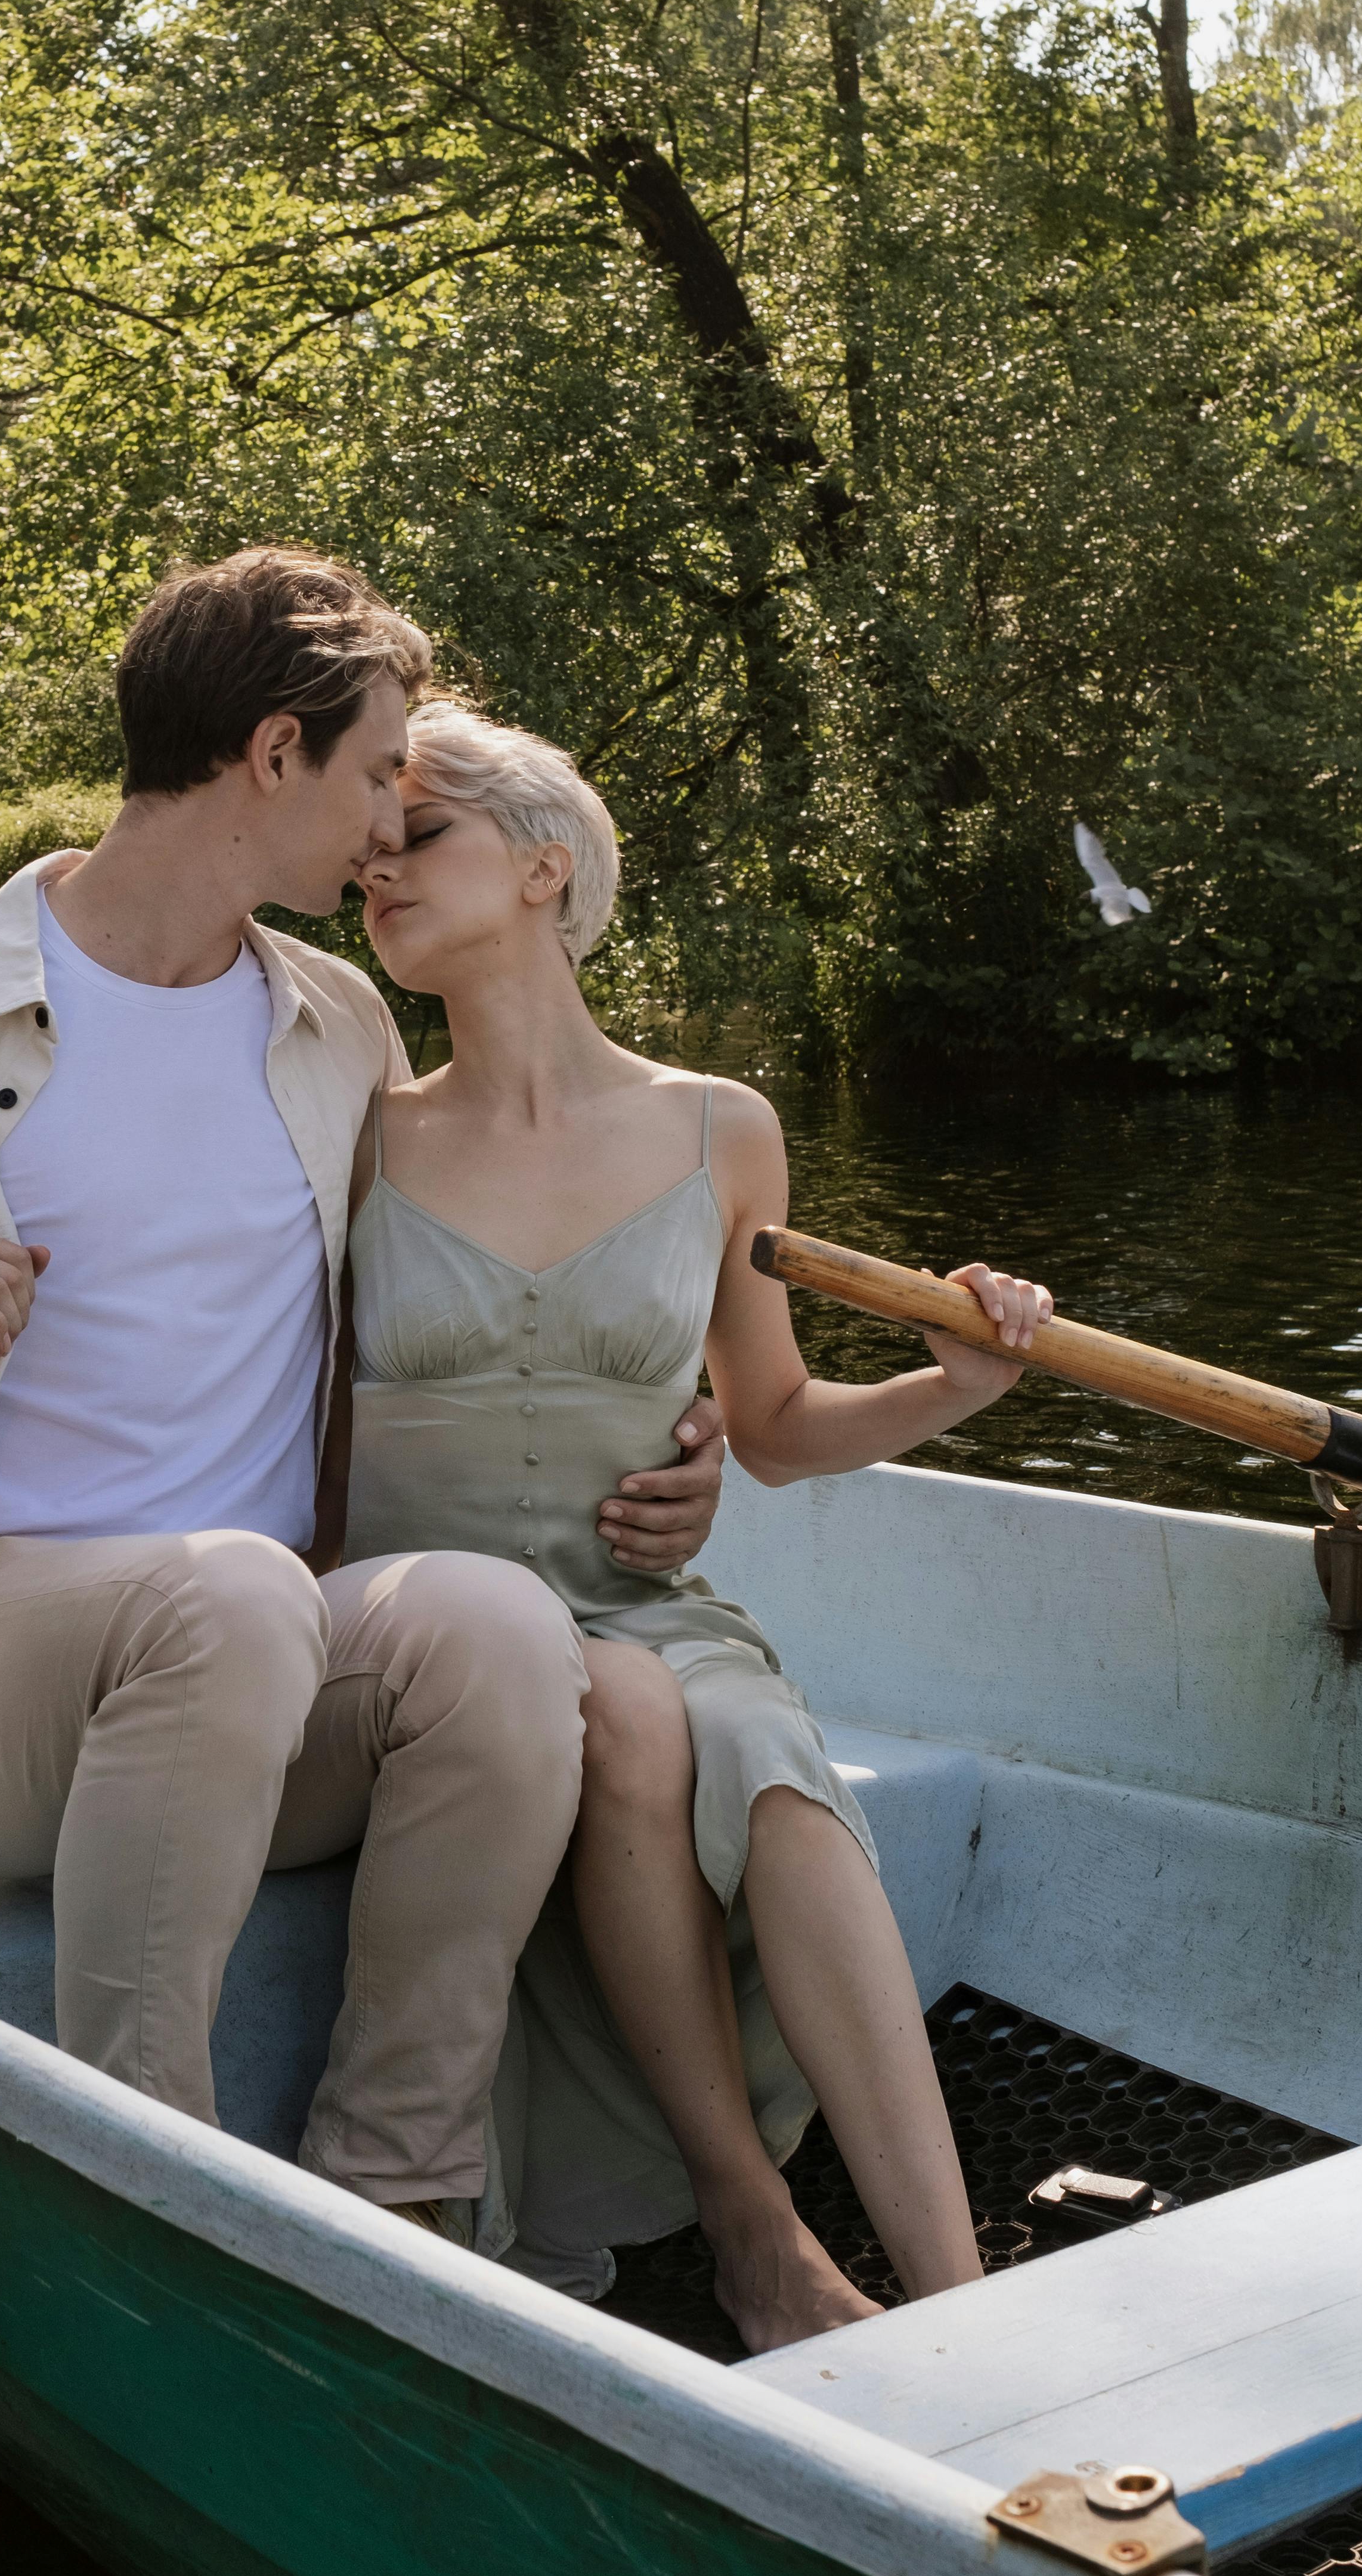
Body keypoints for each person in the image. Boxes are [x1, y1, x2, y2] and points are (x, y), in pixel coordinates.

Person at [0, 550, 727, 2234]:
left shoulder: (338, 1029)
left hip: (263, 1672)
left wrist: (669, 1429)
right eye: (377, 775)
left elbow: (441, 1316)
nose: (387, 829)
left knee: (505, 1629)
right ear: (273, 755)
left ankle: (405, 2204)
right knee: (223, 1602)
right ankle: (150, 2184)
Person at [339, 699, 1052, 2342]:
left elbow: (782, 1427)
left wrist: (956, 1379)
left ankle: (968, 2316)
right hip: (435, 1643)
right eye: (365, 855)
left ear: (543, 865)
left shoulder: (721, 1129)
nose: (375, 873)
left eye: (417, 836)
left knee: (774, 1770)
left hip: (644, 1603)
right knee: (635, 1713)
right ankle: (759, 2235)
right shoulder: (356, 1130)